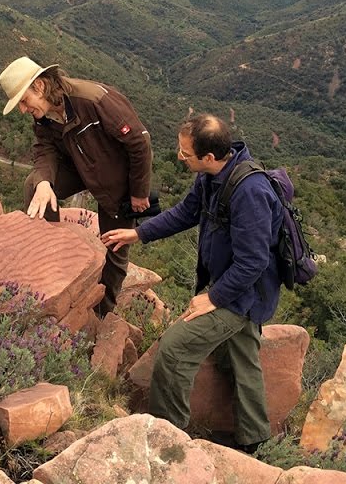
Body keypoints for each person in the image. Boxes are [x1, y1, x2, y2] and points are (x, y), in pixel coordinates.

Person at [100, 113, 280, 454]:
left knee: (176, 348)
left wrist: (212, 297)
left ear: (209, 157)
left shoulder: (249, 192)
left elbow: (254, 262)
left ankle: (166, 440)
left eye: (186, 153)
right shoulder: (212, 176)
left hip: (243, 294)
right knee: (242, 356)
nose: (180, 157)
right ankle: (255, 441)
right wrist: (138, 233)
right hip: (230, 285)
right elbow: (186, 212)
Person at [0, 56, 154, 317]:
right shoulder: (44, 115)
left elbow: (140, 143)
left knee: (114, 246)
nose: (23, 110)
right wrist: (45, 182)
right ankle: (53, 266)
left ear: (39, 86)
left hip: (115, 178)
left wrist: (139, 191)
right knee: (34, 187)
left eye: (23, 101)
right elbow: (44, 148)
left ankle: (101, 311)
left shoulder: (93, 100)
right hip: (81, 167)